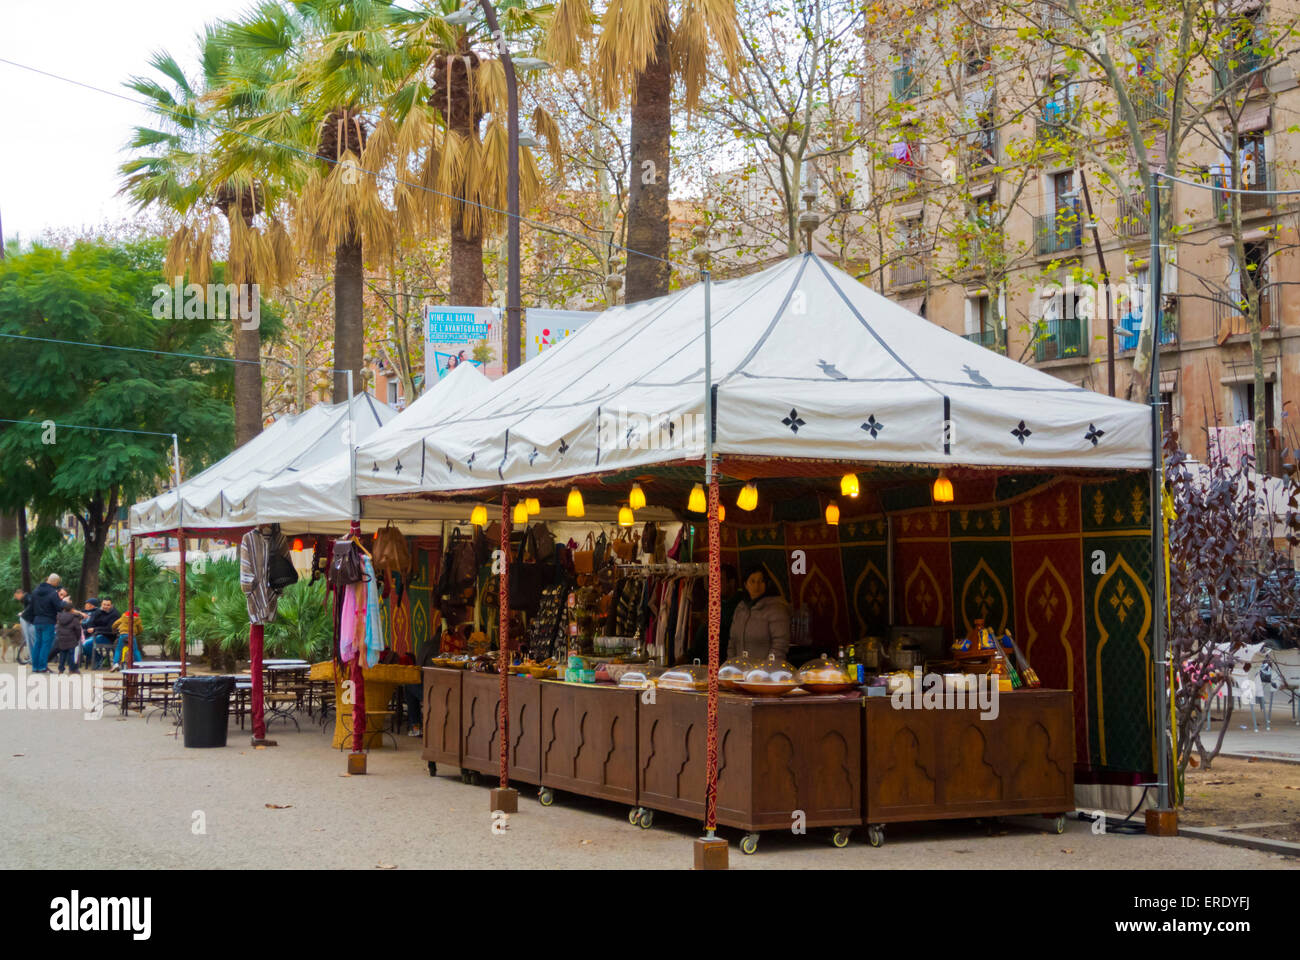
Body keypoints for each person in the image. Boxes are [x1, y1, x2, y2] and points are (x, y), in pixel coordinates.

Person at [729, 566, 791, 663]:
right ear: (745, 584)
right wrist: (731, 666)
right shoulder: (741, 608)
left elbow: (780, 644)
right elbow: (732, 642)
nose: (757, 586)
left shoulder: (776, 608)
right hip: (740, 672)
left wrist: (765, 671)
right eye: (752, 581)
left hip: (765, 673)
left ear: (766, 584)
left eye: (761, 581)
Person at [688, 564, 741, 664]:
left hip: (726, 664)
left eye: (719, 580)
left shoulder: (741, 607)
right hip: (704, 662)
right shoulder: (712, 604)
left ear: (732, 583)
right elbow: (701, 638)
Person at [29, 574, 62, 673]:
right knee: (46, 644)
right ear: (55, 582)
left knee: (37, 643)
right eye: (58, 582)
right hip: (48, 621)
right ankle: (43, 667)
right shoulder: (53, 592)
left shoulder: (35, 591)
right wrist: (63, 602)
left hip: (37, 620)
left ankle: (35, 667)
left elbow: (31, 606)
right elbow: (59, 607)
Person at [83, 597, 120, 669]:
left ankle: (98, 659)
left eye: (108, 605)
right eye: (104, 604)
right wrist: (91, 628)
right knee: (81, 644)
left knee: (86, 644)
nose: (105, 606)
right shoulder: (98, 611)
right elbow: (91, 622)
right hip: (95, 635)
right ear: (101, 604)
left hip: (108, 636)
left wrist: (95, 629)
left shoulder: (115, 614)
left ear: (111, 605)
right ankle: (100, 658)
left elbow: (110, 628)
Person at [54, 600, 83, 674]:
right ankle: (72, 669)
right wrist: (77, 638)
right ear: (72, 609)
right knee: (71, 655)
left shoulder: (59, 617)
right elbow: (78, 629)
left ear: (64, 609)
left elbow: (58, 628)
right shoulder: (74, 618)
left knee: (62, 654)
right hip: (72, 639)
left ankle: (61, 669)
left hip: (62, 638)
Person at [13, 588, 35, 662]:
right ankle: (31, 657)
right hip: (30, 619)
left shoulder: (27, 597)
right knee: (29, 639)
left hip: (27, 620)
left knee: (28, 639)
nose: (17, 598)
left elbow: (31, 606)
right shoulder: (27, 597)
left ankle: (32, 657)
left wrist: (23, 613)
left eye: (16, 596)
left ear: (20, 593)